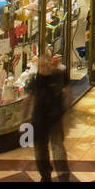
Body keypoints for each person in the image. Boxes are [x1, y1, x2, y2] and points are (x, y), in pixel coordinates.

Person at [26, 52, 70, 181]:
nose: (44, 68)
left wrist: (67, 114)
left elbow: (68, 93)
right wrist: (25, 119)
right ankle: (46, 175)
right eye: (41, 66)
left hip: (55, 118)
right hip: (39, 119)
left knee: (57, 147)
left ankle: (63, 175)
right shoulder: (35, 79)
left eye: (46, 65)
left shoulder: (59, 75)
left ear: (51, 62)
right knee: (40, 149)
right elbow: (28, 99)